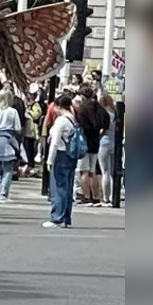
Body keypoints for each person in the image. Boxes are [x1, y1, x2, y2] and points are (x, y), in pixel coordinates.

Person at [45, 94, 79, 228]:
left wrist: (49, 160)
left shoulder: (61, 121)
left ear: (58, 106)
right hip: (70, 155)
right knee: (67, 187)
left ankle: (57, 217)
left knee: (58, 186)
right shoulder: (73, 119)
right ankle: (66, 216)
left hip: (60, 154)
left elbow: (55, 142)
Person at [75, 89, 112, 206]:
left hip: (84, 141)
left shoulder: (82, 108)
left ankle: (86, 196)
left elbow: (80, 125)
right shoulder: (100, 108)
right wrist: (100, 135)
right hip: (96, 141)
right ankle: (96, 196)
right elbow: (107, 124)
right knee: (93, 171)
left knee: (83, 171)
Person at [0, 89, 22, 203]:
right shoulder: (13, 112)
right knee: (8, 169)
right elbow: (17, 128)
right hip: (8, 139)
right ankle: (3, 194)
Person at [97, 89, 118, 204]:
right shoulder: (115, 114)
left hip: (104, 142)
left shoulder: (103, 114)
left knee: (104, 171)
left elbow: (102, 129)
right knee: (112, 172)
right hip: (114, 141)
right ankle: (114, 195)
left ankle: (106, 197)